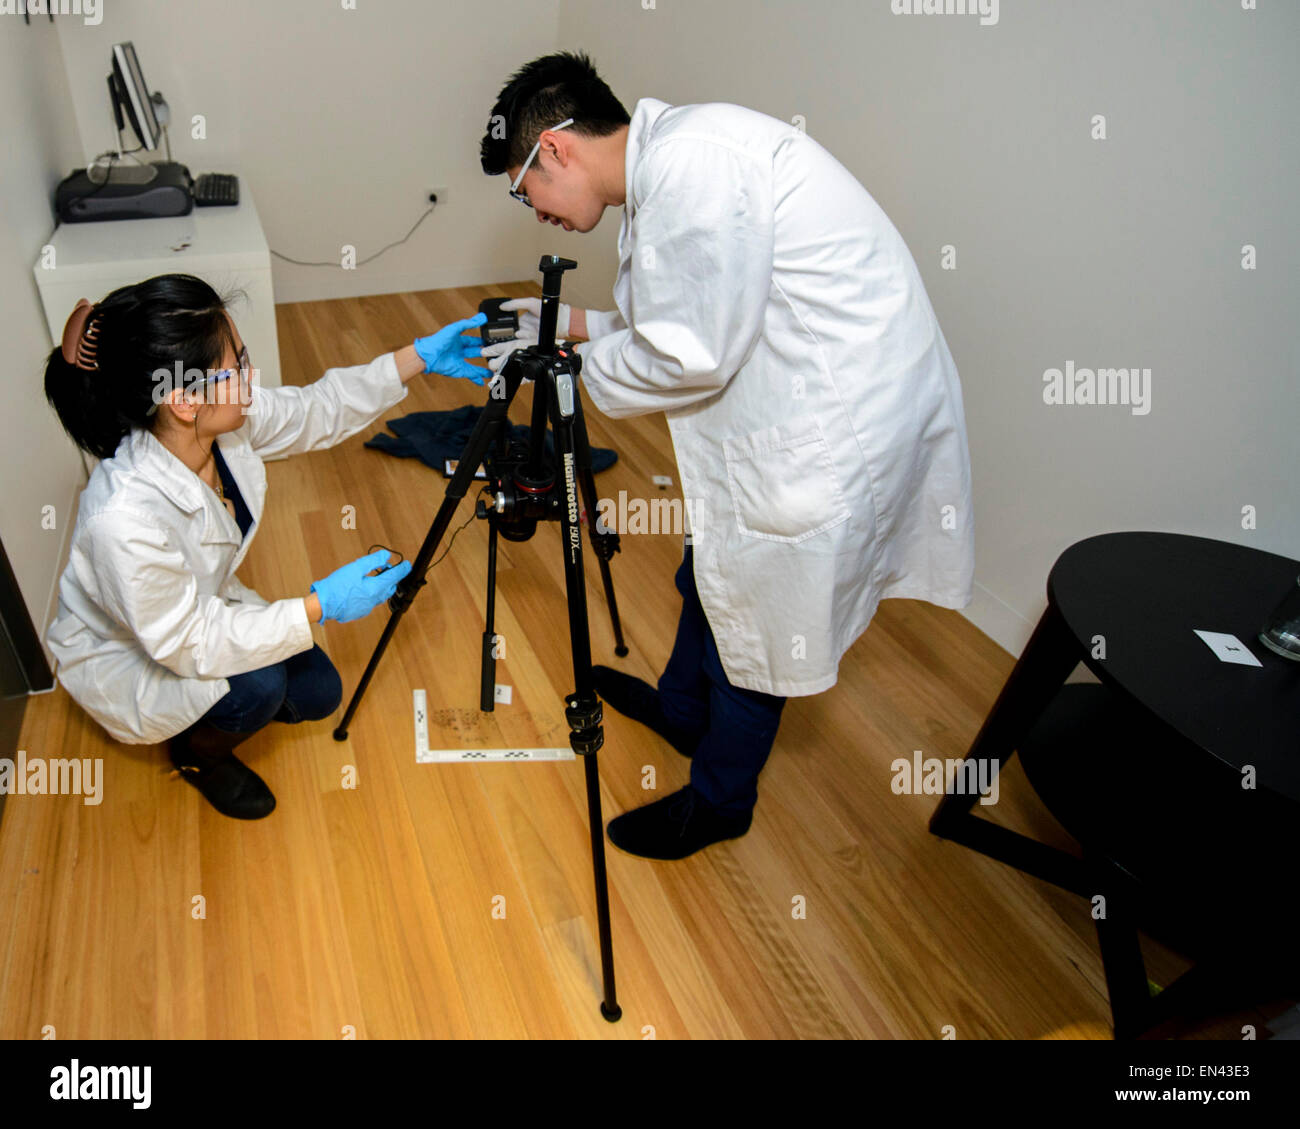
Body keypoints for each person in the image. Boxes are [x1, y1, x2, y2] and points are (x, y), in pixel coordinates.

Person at [470, 53, 975, 860]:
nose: (532, 210)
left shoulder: (697, 171)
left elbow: (689, 352)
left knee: (761, 632)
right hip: (792, 401)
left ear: (555, 150)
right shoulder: (673, 167)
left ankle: (719, 801)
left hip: (830, 430)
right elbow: (672, 315)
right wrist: (562, 325)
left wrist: (568, 368)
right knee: (711, 568)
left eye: (522, 186)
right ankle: (681, 711)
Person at [43, 273, 486, 820]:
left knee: (318, 693)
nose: (251, 378)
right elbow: (188, 641)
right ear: (183, 400)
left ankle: (218, 720)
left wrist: (414, 358)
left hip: (193, 612)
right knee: (259, 685)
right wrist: (320, 606)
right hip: (135, 648)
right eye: (236, 368)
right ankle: (198, 755)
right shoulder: (122, 518)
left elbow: (314, 409)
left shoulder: (218, 428)